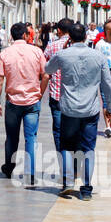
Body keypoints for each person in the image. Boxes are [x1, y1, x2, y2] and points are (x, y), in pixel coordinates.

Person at [44, 21, 111, 200]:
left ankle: (68, 181)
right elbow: (107, 83)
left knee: (67, 146)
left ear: (69, 37)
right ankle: (86, 188)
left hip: (69, 108)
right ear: (85, 37)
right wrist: (110, 106)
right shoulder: (98, 56)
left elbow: (47, 69)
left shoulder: (62, 54)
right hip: (90, 109)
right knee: (88, 148)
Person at [0, 21, 48, 186]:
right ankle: (30, 173)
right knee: (30, 137)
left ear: (11, 36)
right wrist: (40, 93)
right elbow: (46, 75)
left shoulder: (5, 53)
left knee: (11, 137)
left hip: (13, 100)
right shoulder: (37, 51)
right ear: (26, 35)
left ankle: (10, 167)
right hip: (32, 100)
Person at [43, 18, 73, 164]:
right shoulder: (80, 47)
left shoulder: (52, 46)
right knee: (75, 130)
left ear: (59, 31)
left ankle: (63, 163)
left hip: (56, 95)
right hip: (75, 96)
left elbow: (44, 70)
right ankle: (74, 162)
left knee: (59, 131)